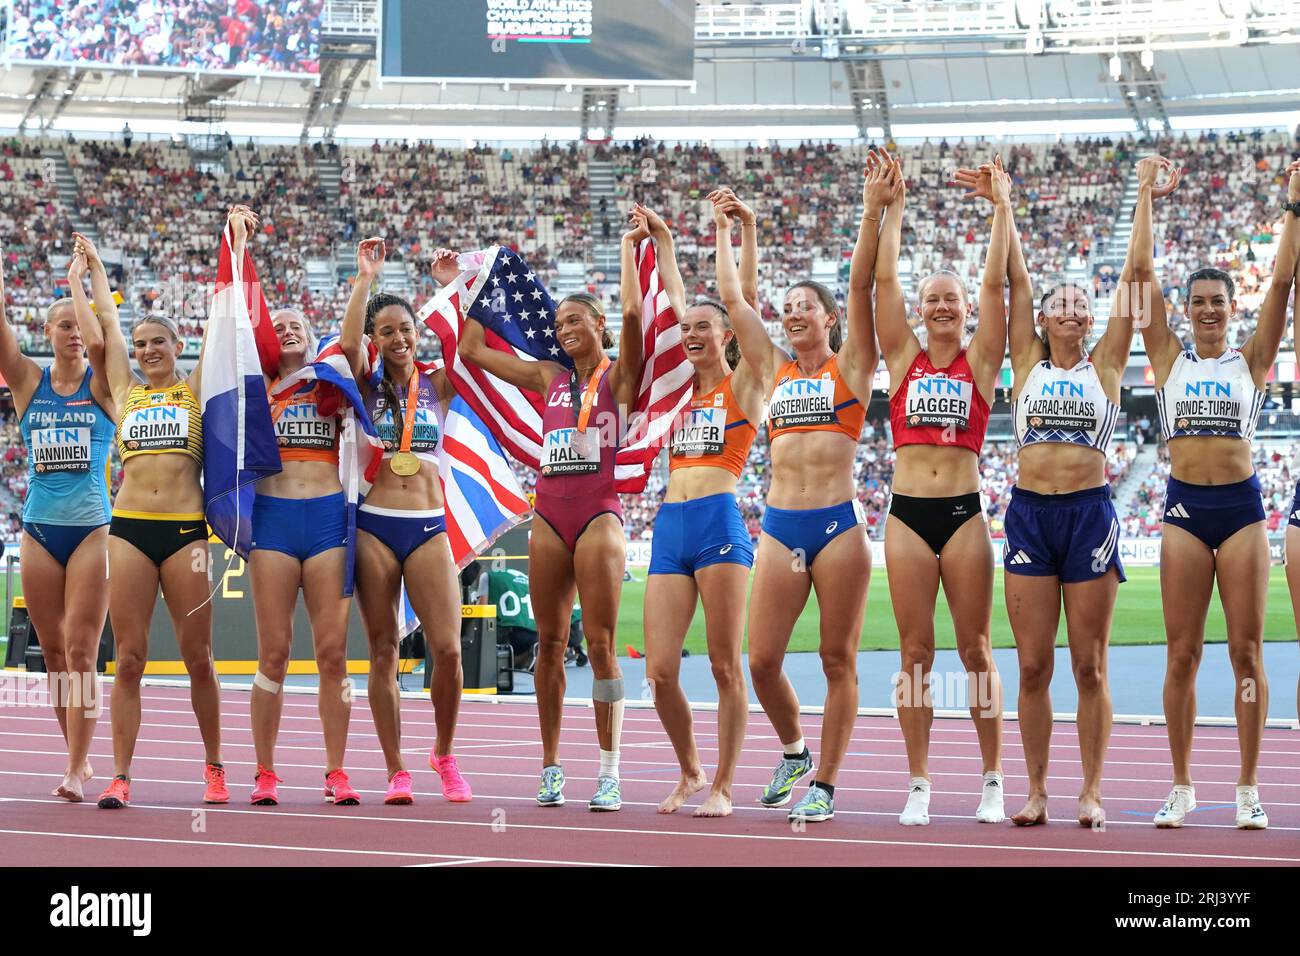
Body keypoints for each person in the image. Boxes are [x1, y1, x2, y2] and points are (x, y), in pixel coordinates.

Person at [965, 155, 1179, 827]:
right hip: (1030, 516)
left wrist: (1144, 193)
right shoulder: (1024, 359)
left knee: (1089, 664)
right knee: (1032, 668)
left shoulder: (1108, 362)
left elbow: (1134, 277)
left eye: (1081, 303)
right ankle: (1035, 791)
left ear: (1089, 320)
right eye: (1062, 301)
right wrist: (1003, 204)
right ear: (1047, 316)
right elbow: (1013, 277)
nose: (1072, 307)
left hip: (1089, 515)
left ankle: (1090, 790)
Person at [448, 206, 654, 811]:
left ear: (598, 325)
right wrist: (465, 285)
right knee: (547, 641)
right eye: (558, 322)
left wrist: (625, 247)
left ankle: (610, 770)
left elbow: (637, 316)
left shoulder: (620, 377)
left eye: (575, 321)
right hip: (549, 516)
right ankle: (551, 765)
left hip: (599, 514)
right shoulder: (546, 376)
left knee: (602, 642)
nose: (564, 329)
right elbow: (472, 351)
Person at [707, 160, 882, 823]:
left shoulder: (853, 366)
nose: (793, 316)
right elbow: (733, 299)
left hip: (838, 525)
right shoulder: (773, 369)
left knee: (838, 658)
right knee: (760, 660)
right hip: (780, 526)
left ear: (831, 318)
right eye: (788, 311)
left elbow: (865, 283)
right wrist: (733, 227)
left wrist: (873, 212)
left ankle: (827, 785)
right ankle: (794, 749)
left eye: (805, 308)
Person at [1145, 159, 1300, 830]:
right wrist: (1148, 198)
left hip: (1239, 510)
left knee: (1247, 653)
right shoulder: (1168, 359)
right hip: (1184, 510)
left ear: (1231, 310)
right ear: (1186, 310)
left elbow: (1284, 281)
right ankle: (1181, 784)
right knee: (1183, 652)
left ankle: (1246, 786)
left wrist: (1294, 205)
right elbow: (1140, 279)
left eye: (1219, 302)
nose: (1209, 310)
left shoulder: (1251, 358)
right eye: (1199, 302)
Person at [74, 213, 244, 809]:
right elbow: (109, 326)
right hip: (128, 532)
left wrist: (237, 248)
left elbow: (226, 326)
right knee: (128, 658)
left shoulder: (194, 389)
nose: (146, 351)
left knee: (199, 658)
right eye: (142, 344)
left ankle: (216, 767)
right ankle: (120, 775)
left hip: (184, 533)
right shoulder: (123, 390)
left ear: (177, 348)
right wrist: (94, 270)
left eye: (158, 343)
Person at [876, 152, 1009, 826]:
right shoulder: (902, 356)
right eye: (931, 300)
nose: (939, 306)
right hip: (906, 512)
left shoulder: (981, 361)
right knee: (914, 650)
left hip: (963, 512)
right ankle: (920, 781)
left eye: (949, 299)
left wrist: (1000, 210)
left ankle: (991, 778)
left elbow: (995, 289)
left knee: (975, 648)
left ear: (962, 311)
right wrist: (891, 210)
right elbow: (883, 284)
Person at [339, 237, 471, 805]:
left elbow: (468, 350)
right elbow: (346, 346)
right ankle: (396, 768)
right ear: (376, 339)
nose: (398, 338)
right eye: (387, 331)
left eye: (406, 330)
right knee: (383, 650)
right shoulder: (364, 384)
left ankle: (442, 752)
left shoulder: (436, 383)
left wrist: (453, 286)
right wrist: (365, 278)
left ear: (419, 334)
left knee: (448, 648)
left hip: (427, 524)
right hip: (375, 524)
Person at [643, 203, 763, 818]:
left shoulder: (743, 385)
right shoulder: (674, 393)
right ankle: (690, 770)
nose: (690, 334)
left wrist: (736, 230)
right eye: (685, 329)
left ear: (727, 337)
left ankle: (723, 783)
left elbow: (741, 300)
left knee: (723, 664)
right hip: (670, 526)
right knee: (660, 670)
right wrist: (662, 237)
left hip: (718, 519)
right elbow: (673, 297)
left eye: (703, 328)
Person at [1, 250, 115, 802]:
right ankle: (79, 753)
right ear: (46, 331)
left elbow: (100, 341)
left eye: (78, 320)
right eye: (64, 324)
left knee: (81, 652)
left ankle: (75, 769)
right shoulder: (27, 381)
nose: (74, 331)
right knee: (50, 654)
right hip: (40, 529)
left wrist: (79, 284)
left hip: (93, 526)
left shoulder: (103, 385)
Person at [247, 306, 357, 806]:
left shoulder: (331, 384)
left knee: (333, 655)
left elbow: (354, 344)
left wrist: (362, 279)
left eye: (298, 327)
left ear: (314, 340)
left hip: (328, 521)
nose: (288, 331)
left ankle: (336, 770)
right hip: (273, 521)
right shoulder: (253, 389)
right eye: (279, 327)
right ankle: (265, 771)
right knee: (274, 654)